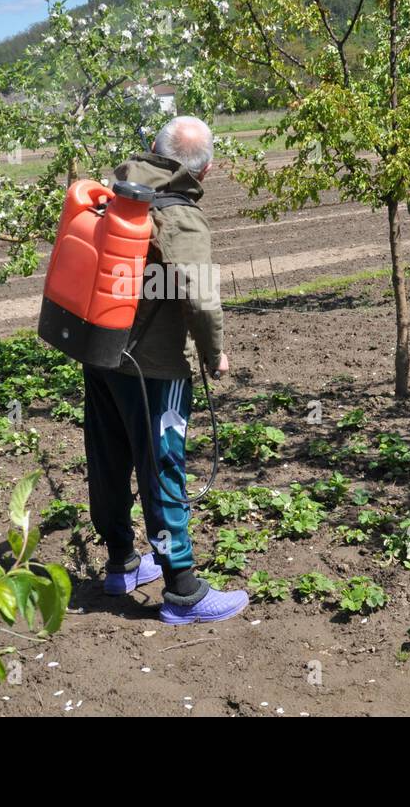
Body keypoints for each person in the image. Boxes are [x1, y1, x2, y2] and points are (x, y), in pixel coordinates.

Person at [83, 115, 249, 625]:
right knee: (163, 467)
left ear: (152, 151)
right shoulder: (180, 214)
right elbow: (200, 296)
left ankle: (121, 563)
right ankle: (182, 589)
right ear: (207, 170)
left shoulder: (120, 197)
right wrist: (213, 351)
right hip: (152, 370)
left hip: (102, 353)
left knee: (108, 460)